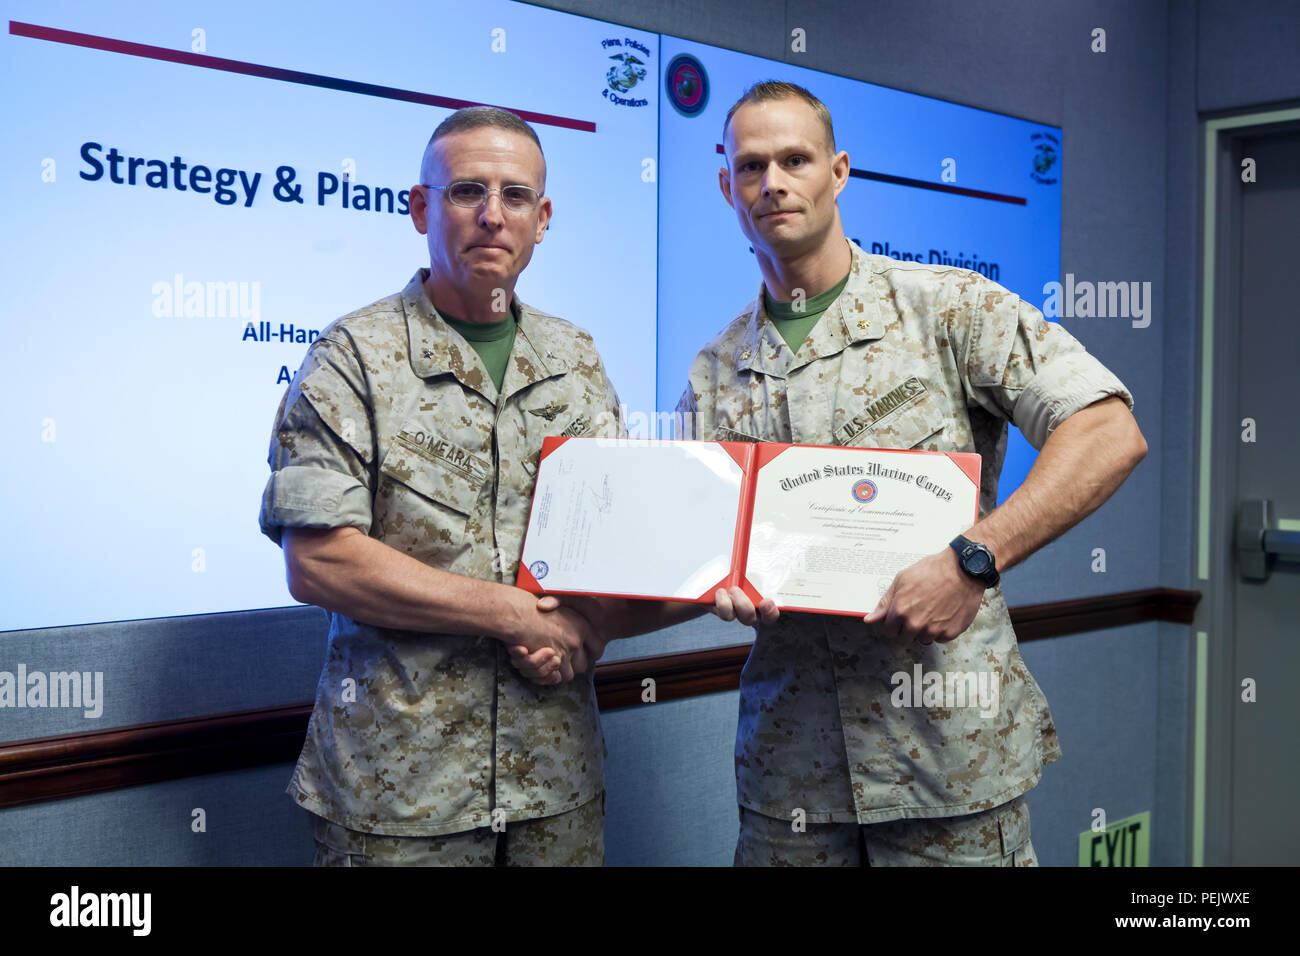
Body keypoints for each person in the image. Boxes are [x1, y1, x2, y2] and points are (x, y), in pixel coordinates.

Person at [677, 81, 1148, 866]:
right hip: (794, 784)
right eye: (751, 166)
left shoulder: (948, 309)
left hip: (948, 771)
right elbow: (704, 547)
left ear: (840, 172)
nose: (773, 183)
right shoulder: (715, 371)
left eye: (796, 159)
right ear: (727, 184)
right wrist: (716, 581)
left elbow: (1107, 430)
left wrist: (975, 559)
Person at [259, 106, 629, 866]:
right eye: (467, 191)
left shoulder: (578, 360)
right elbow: (319, 560)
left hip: (553, 783)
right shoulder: (353, 357)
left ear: (542, 217)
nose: (492, 215)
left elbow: (613, 544)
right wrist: (509, 613)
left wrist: (588, 629)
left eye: (515, 196)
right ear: (422, 207)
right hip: (400, 797)